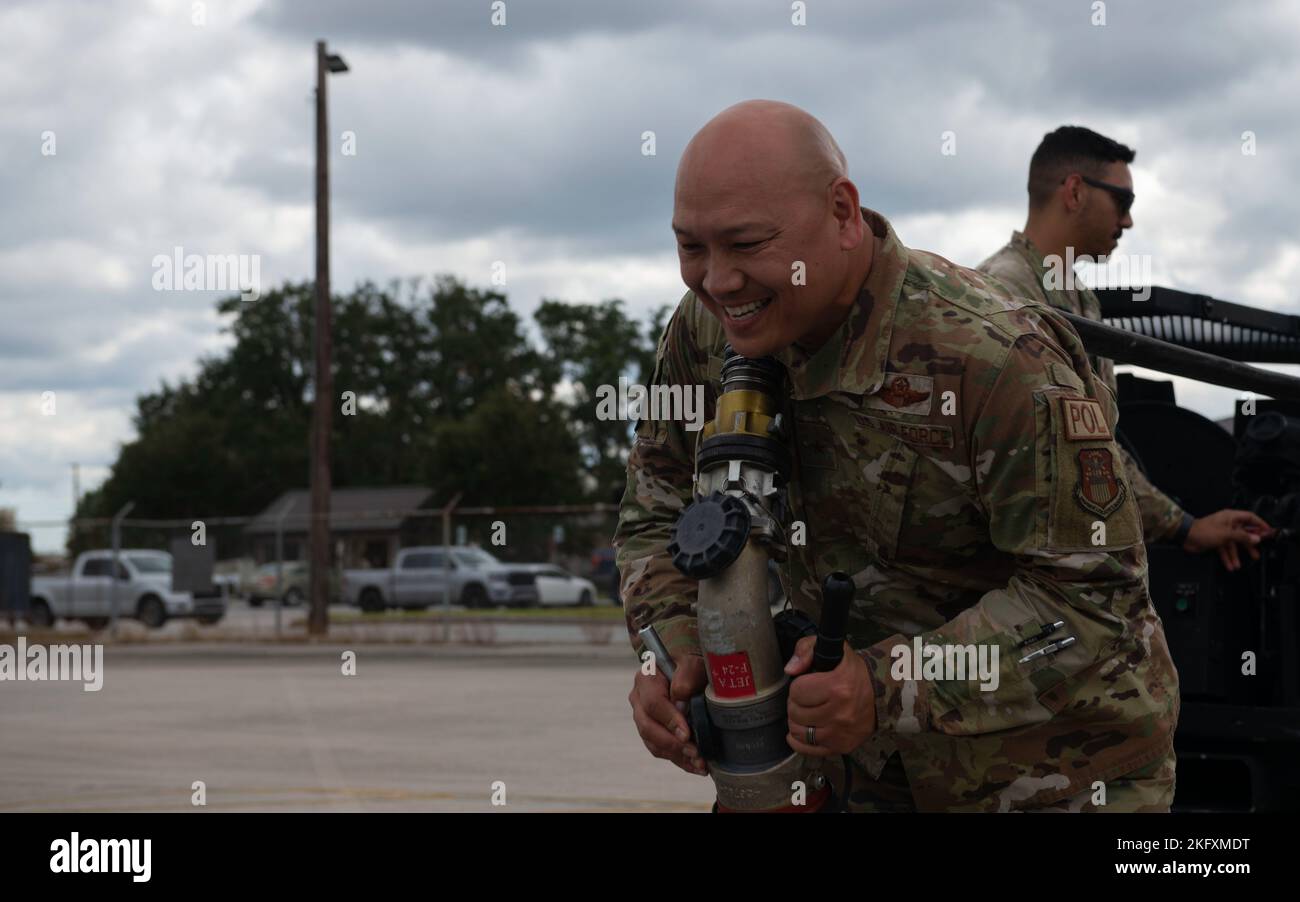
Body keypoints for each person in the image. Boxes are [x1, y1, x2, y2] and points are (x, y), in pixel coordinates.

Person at [616, 100, 1179, 812]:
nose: (718, 280)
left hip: (1047, 769)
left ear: (844, 213)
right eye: (691, 247)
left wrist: (888, 686)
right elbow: (657, 504)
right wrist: (671, 648)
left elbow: (1094, 600)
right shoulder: (707, 332)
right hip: (851, 769)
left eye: (747, 244)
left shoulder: (994, 358)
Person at [978, 126, 1271, 570]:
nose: (1129, 221)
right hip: (1020, 568)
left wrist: (1186, 527)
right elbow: (1064, 456)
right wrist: (1183, 526)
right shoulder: (1003, 293)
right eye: (1123, 202)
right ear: (1075, 191)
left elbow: (1099, 443)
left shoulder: (1077, 297)